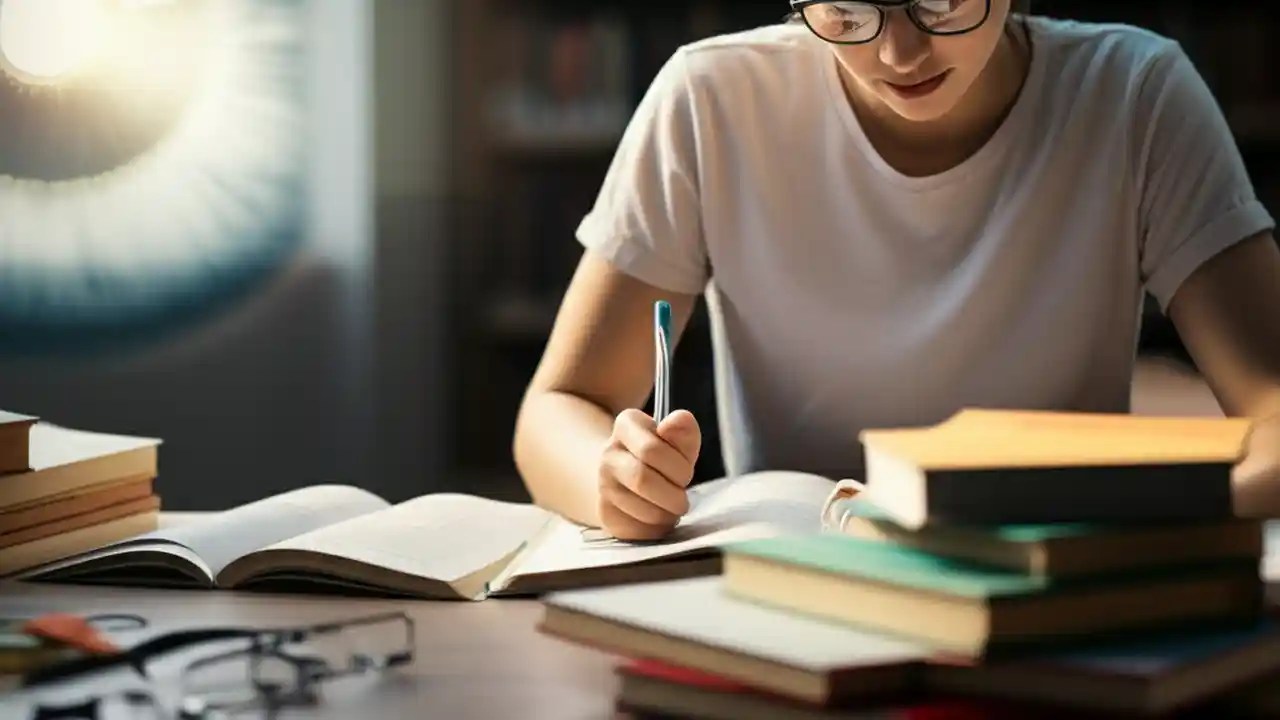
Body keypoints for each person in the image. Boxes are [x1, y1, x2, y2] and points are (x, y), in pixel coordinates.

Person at [512, 0, 1280, 540]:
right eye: (847, 9)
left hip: (1044, 592)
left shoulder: (1134, 95)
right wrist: (610, 479)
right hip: (795, 593)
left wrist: (1180, 519)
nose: (899, 54)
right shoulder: (710, 99)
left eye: (939, 2)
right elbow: (558, 406)